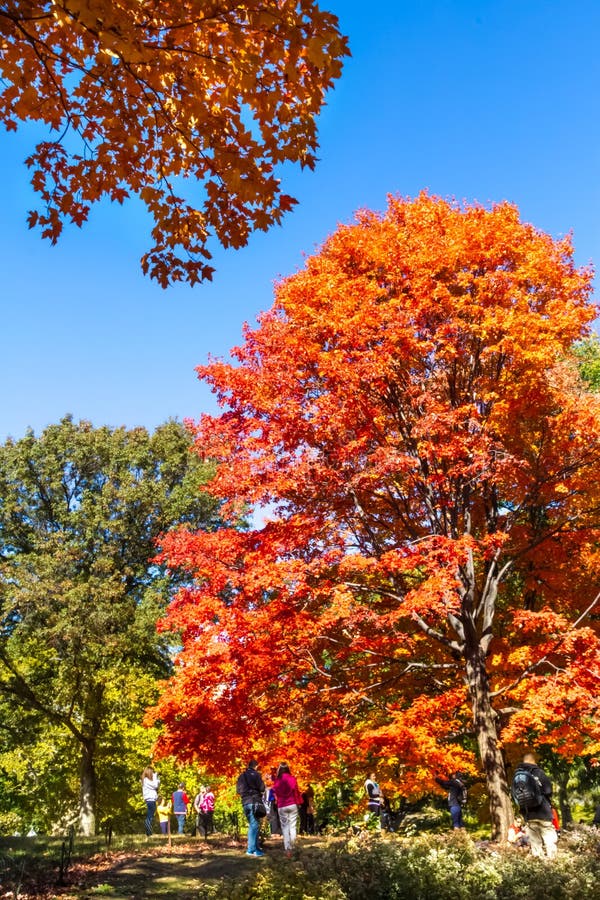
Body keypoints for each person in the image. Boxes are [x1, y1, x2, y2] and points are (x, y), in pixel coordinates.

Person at [512, 753, 557, 859]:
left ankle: (538, 863)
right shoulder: (538, 772)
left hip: (528, 813)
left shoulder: (516, 775)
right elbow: (548, 790)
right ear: (533, 761)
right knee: (549, 838)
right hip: (543, 811)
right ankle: (553, 862)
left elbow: (514, 795)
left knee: (535, 842)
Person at [236, 758, 266, 857]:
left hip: (245, 802)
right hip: (254, 801)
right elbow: (262, 788)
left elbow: (238, 791)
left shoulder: (241, 776)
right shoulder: (257, 775)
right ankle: (252, 849)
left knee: (252, 825)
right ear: (256, 766)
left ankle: (254, 848)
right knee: (254, 825)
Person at [273, 762, 302, 857]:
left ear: (279, 770)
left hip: (282, 805)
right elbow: (296, 792)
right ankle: (294, 847)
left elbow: (275, 792)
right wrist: (299, 803)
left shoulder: (277, 781)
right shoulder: (292, 779)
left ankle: (287, 849)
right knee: (293, 827)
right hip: (292, 804)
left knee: (285, 827)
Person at [141, 766, 160, 836]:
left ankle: (148, 832)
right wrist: (155, 777)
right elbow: (155, 785)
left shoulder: (146, 780)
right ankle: (148, 832)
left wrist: (157, 779)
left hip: (151, 799)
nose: (153, 774)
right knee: (149, 816)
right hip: (150, 800)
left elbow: (157, 785)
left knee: (150, 816)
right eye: (152, 773)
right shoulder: (146, 780)